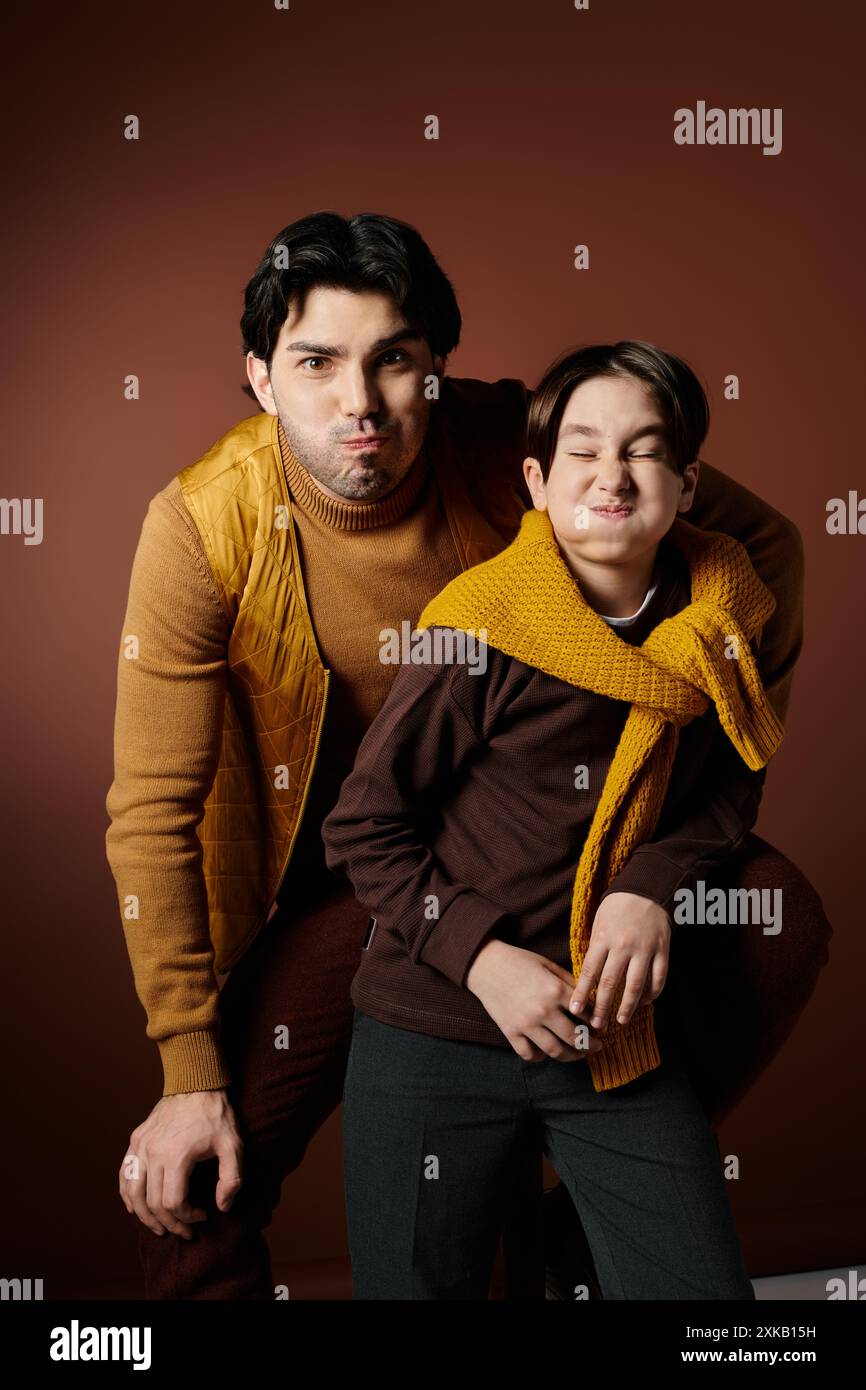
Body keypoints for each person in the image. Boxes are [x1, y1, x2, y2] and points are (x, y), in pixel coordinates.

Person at [106, 213, 817, 1301]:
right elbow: (153, 811)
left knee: (772, 914)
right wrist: (184, 1071)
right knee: (197, 1177)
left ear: (433, 368)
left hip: (527, 852)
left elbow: (752, 547)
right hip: (342, 880)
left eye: (392, 360)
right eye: (315, 363)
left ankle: (586, 1205)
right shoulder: (202, 525)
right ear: (258, 377)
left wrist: (691, 731)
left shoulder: (524, 447)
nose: (359, 402)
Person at [321, 341, 786, 1299]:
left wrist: (650, 886)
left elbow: (732, 777)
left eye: (645, 451)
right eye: (581, 450)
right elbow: (364, 826)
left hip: (608, 1035)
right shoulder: (481, 626)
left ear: (688, 482)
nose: (612, 476)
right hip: (437, 1025)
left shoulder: (720, 616)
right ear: (537, 481)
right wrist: (483, 958)